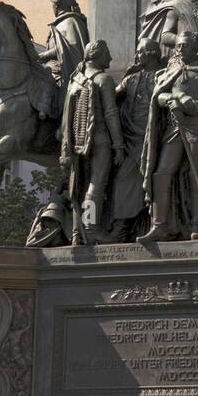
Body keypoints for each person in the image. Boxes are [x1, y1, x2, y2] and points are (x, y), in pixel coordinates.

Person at [138, 31, 198, 242]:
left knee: (197, 175)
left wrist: (189, 105)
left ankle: (197, 226)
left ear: (195, 48)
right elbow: (158, 95)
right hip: (174, 129)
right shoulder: (171, 70)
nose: (180, 49)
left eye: (184, 46)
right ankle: (159, 226)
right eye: (178, 46)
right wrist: (172, 99)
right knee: (161, 174)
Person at [59, 40, 124, 244]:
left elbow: (65, 120)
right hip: (100, 138)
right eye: (107, 54)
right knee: (96, 183)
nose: (111, 59)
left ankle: (78, 233)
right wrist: (119, 145)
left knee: (78, 185)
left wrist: (65, 150)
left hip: (77, 141)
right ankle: (90, 228)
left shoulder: (74, 82)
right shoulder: (103, 79)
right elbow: (112, 114)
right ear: (97, 56)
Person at [108, 37, 163, 241]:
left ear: (151, 54)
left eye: (140, 52)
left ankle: (139, 224)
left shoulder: (163, 76)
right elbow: (112, 96)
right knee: (123, 179)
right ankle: (123, 225)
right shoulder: (131, 78)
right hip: (131, 138)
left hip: (155, 137)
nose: (136, 56)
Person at [39, 0, 88, 119]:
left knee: (47, 77)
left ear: (57, 4)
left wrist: (43, 55)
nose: (52, 7)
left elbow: (69, 49)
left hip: (61, 72)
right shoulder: (60, 23)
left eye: (53, 4)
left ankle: (45, 110)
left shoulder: (71, 22)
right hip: (50, 68)